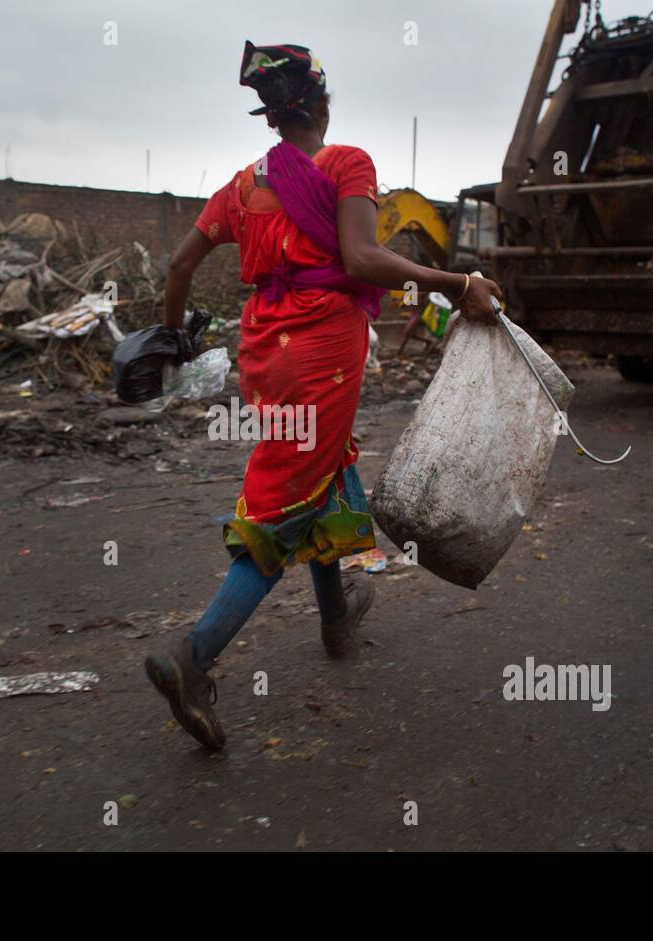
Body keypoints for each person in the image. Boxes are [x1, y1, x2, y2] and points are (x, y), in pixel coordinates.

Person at [144, 41, 504, 749]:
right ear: (323, 106)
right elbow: (362, 259)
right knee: (283, 508)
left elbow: (181, 262)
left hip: (264, 353)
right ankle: (195, 655)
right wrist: (460, 285)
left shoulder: (242, 186)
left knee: (323, 467)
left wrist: (172, 337)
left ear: (273, 118)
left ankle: (337, 619)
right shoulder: (347, 163)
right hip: (321, 355)